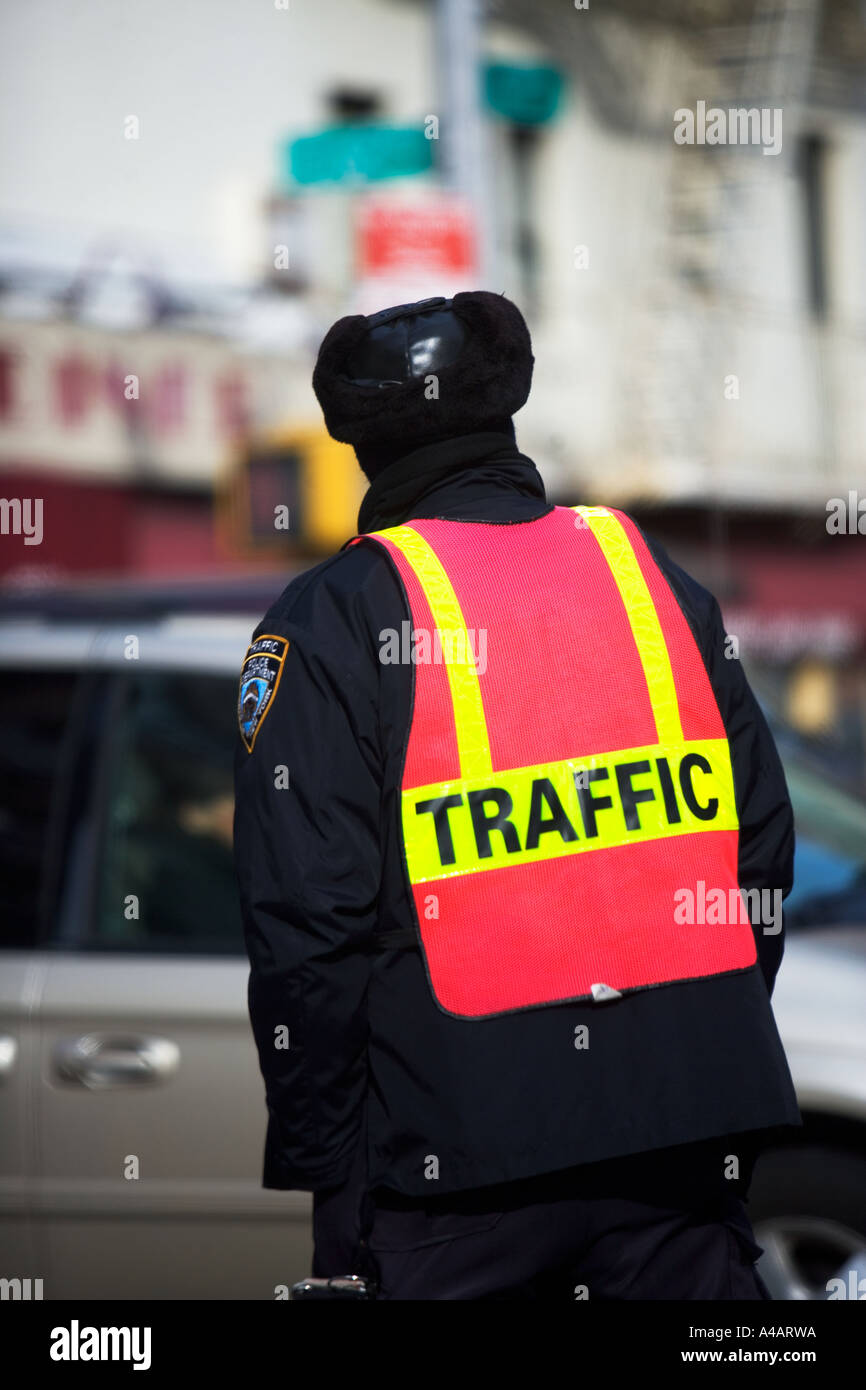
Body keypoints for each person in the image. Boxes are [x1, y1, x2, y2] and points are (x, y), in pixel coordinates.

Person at [233, 292, 800, 1300]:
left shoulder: (332, 619)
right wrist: (691, 1039)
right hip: (682, 1144)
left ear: (356, 437)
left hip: (453, 1170)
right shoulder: (648, 578)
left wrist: (331, 1169)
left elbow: (306, 925)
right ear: (509, 399)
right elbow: (756, 848)